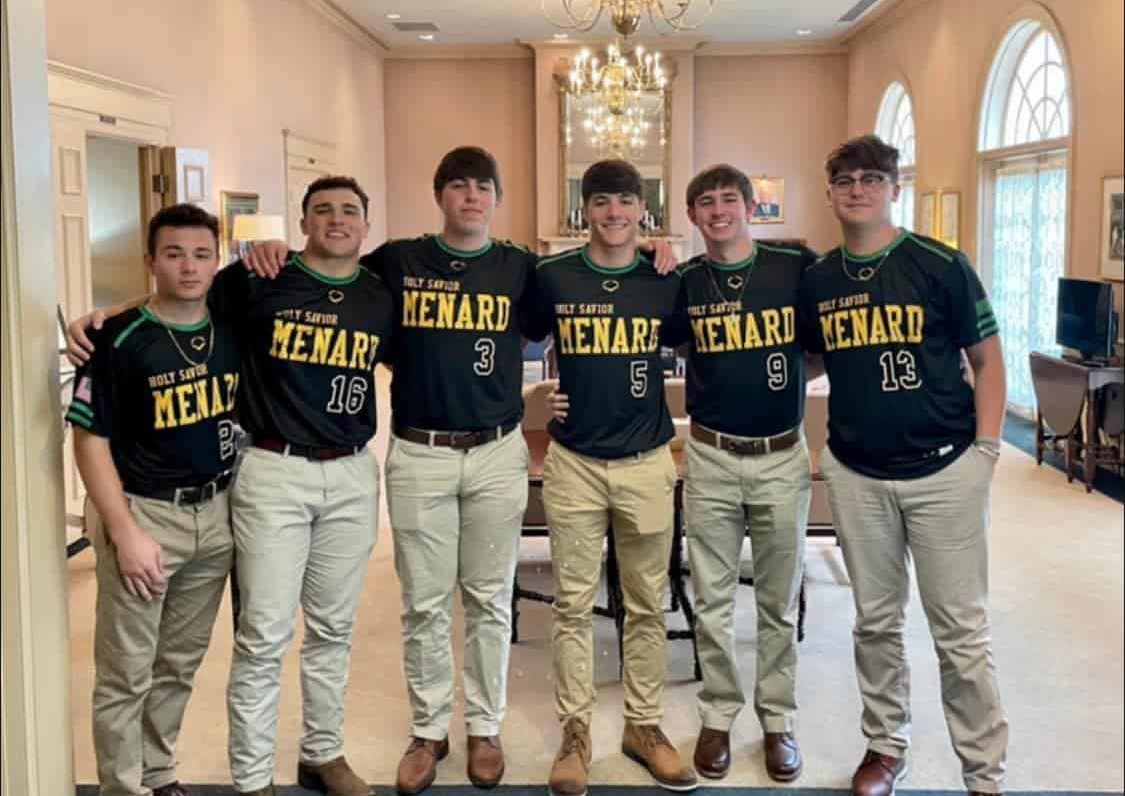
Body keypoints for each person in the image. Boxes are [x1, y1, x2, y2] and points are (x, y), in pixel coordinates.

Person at [243, 147, 679, 796]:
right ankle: (427, 731)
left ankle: (484, 727)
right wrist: (272, 249)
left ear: (496, 198)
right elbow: (330, 267)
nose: (471, 197)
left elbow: (593, 281)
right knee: (423, 602)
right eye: (457, 186)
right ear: (439, 196)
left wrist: (650, 247)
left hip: (497, 451)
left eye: (482, 187)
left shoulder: (520, 267)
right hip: (419, 450)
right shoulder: (398, 261)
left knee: (488, 598)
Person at [69, 176, 396, 796]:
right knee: (254, 635)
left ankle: (316, 754)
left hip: (330, 476)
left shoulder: (378, 291)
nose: (337, 219)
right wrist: (100, 318)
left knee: (311, 631)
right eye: (323, 210)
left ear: (366, 223)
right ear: (303, 222)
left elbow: (188, 295)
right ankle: (245, 779)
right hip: (260, 473)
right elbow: (171, 303)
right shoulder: (257, 283)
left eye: (350, 210)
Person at [551, 163, 820, 782]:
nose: (719, 211)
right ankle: (716, 717)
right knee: (710, 600)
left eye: (730, 199)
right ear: (691, 215)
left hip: (780, 453)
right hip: (709, 452)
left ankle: (777, 721)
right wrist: (651, 247)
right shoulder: (682, 280)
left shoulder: (794, 267)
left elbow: (824, 343)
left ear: (751, 206)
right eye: (706, 202)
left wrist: (784, 384)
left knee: (778, 601)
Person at [798, 135, 1008, 796]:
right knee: (875, 622)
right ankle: (886, 746)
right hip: (857, 471)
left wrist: (986, 450)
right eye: (844, 180)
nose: (857, 189)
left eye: (870, 178)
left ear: (893, 188)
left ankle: (983, 771)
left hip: (944, 468)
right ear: (829, 193)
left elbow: (988, 359)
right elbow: (811, 359)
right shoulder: (820, 279)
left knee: (961, 632)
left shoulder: (940, 264)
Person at [528, 159, 697, 796]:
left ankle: (643, 726)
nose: (614, 213)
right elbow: (511, 343)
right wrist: (539, 396)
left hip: (646, 459)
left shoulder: (664, 280)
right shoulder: (553, 276)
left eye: (626, 202)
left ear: (642, 211)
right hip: (574, 461)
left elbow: (696, 345)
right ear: (586, 210)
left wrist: (666, 254)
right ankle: (575, 733)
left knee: (647, 603)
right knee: (572, 605)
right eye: (601, 202)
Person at [66, 203, 240, 796]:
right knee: (126, 672)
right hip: (145, 514)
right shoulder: (119, 339)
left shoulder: (229, 324)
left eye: (201, 255)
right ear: (151, 261)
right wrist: (124, 532)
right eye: (174, 254)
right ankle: (121, 787)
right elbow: (89, 441)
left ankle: (158, 773)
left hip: (215, 516)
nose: (189, 267)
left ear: (216, 262)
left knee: (177, 665)